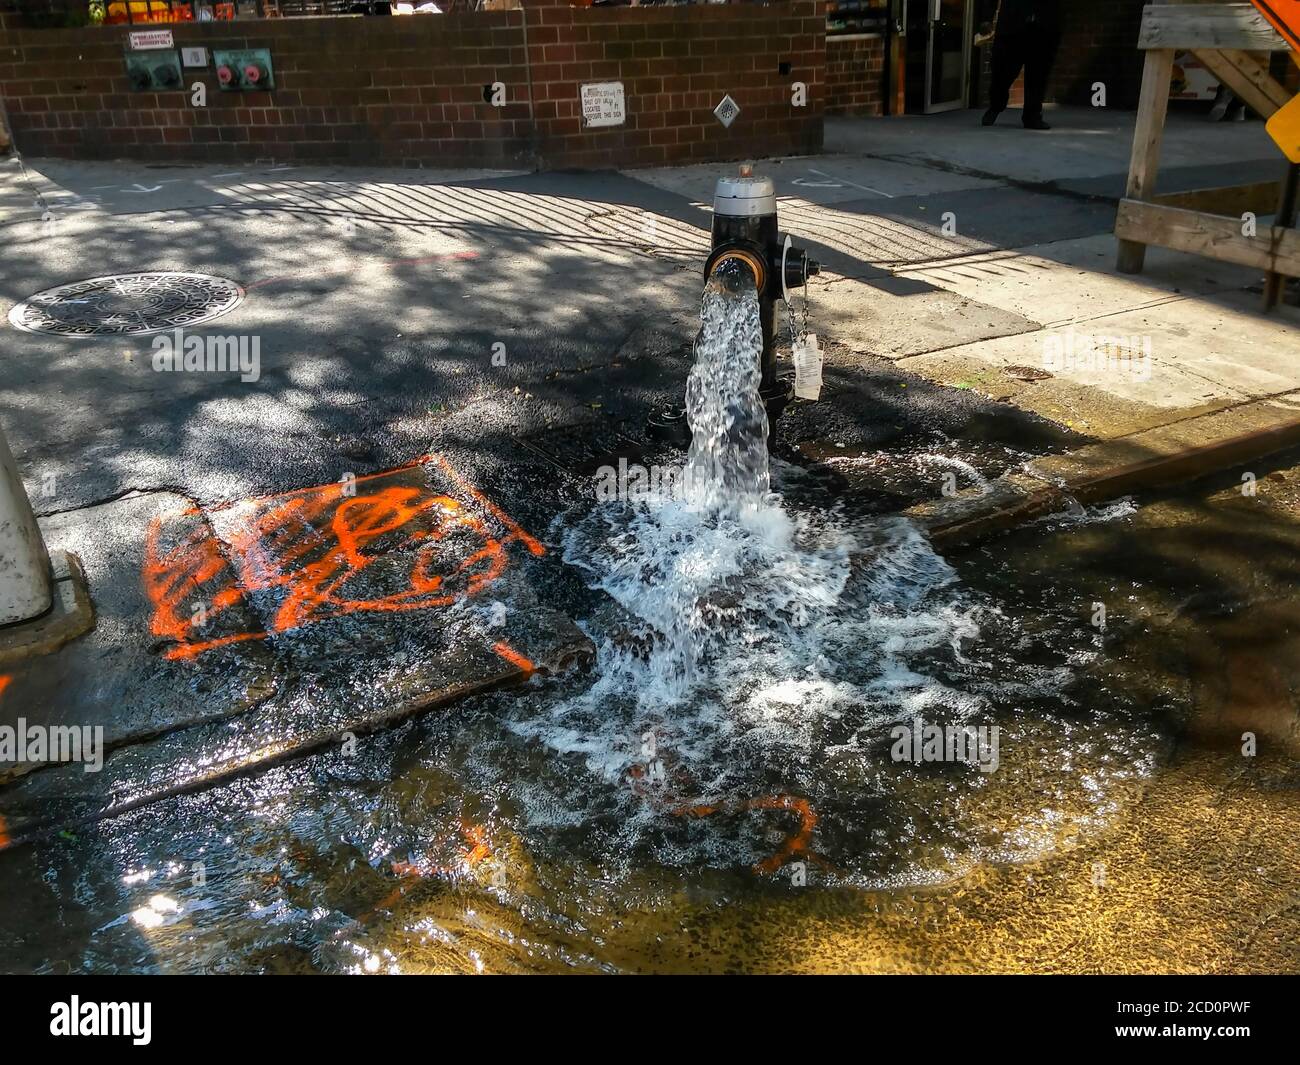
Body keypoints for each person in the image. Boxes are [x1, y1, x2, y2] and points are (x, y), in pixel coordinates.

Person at [981, 0, 1062, 130]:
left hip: (1043, 28)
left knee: (1038, 75)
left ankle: (1032, 116)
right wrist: (986, 18)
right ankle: (996, 105)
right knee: (1001, 73)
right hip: (1012, 27)